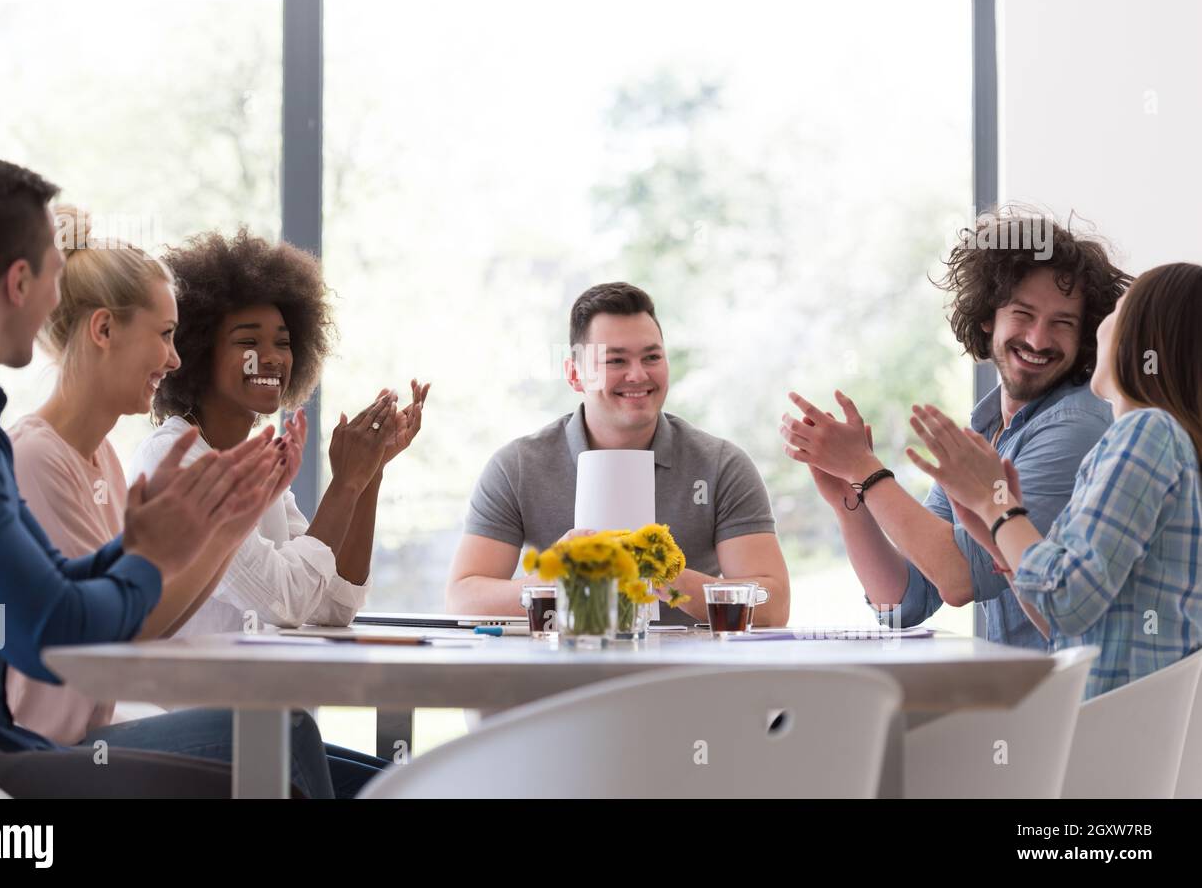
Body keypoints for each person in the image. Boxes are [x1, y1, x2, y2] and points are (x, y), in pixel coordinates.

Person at [0, 158, 281, 797]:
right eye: (56, 275)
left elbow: (51, 585)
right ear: (19, 282)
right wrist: (150, 555)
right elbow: (47, 634)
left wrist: (147, 547)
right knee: (254, 788)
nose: (59, 301)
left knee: (269, 770)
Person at [4, 207, 337, 798]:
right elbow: (117, 638)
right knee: (284, 735)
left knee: (303, 745)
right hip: (47, 750)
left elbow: (139, 625)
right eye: (163, 336)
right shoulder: (38, 458)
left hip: (92, 730)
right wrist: (228, 523)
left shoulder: (98, 458)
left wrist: (233, 521)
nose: (175, 359)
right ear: (104, 331)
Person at [131, 227, 429, 788]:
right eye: (248, 340)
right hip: (183, 726)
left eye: (285, 342)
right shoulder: (181, 459)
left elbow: (332, 603)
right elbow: (286, 599)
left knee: (404, 782)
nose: (271, 357)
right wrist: (346, 483)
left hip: (254, 720)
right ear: (198, 351)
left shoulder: (252, 457)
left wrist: (369, 476)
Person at [781, 212, 1129, 647]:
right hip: (1025, 695)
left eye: (1063, 323)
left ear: (1085, 338)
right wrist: (851, 500)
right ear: (988, 318)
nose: (1039, 339)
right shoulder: (984, 431)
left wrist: (863, 467)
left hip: (1074, 703)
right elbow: (906, 600)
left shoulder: (1075, 427)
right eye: (1023, 314)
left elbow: (959, 577)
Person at [904, 262, 1202, 696]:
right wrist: (995, 538)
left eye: (1119, 308)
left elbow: (1066, 600)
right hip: (1124, 734)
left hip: (1103, 736)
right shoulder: (1159, 442)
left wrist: (998, 507)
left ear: (1142, 334)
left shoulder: (1145, 433)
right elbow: (1060, 623)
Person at [446, 281, 788, 625]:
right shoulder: (519, 466)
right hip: (564, 672)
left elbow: (773, 608)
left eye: (652, 357)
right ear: (575, 375)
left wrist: (668, 578)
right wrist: (555, 580)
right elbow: (462, 600)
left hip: (689, 674)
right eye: (616, 360)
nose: (638, 374)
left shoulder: (720, 465)